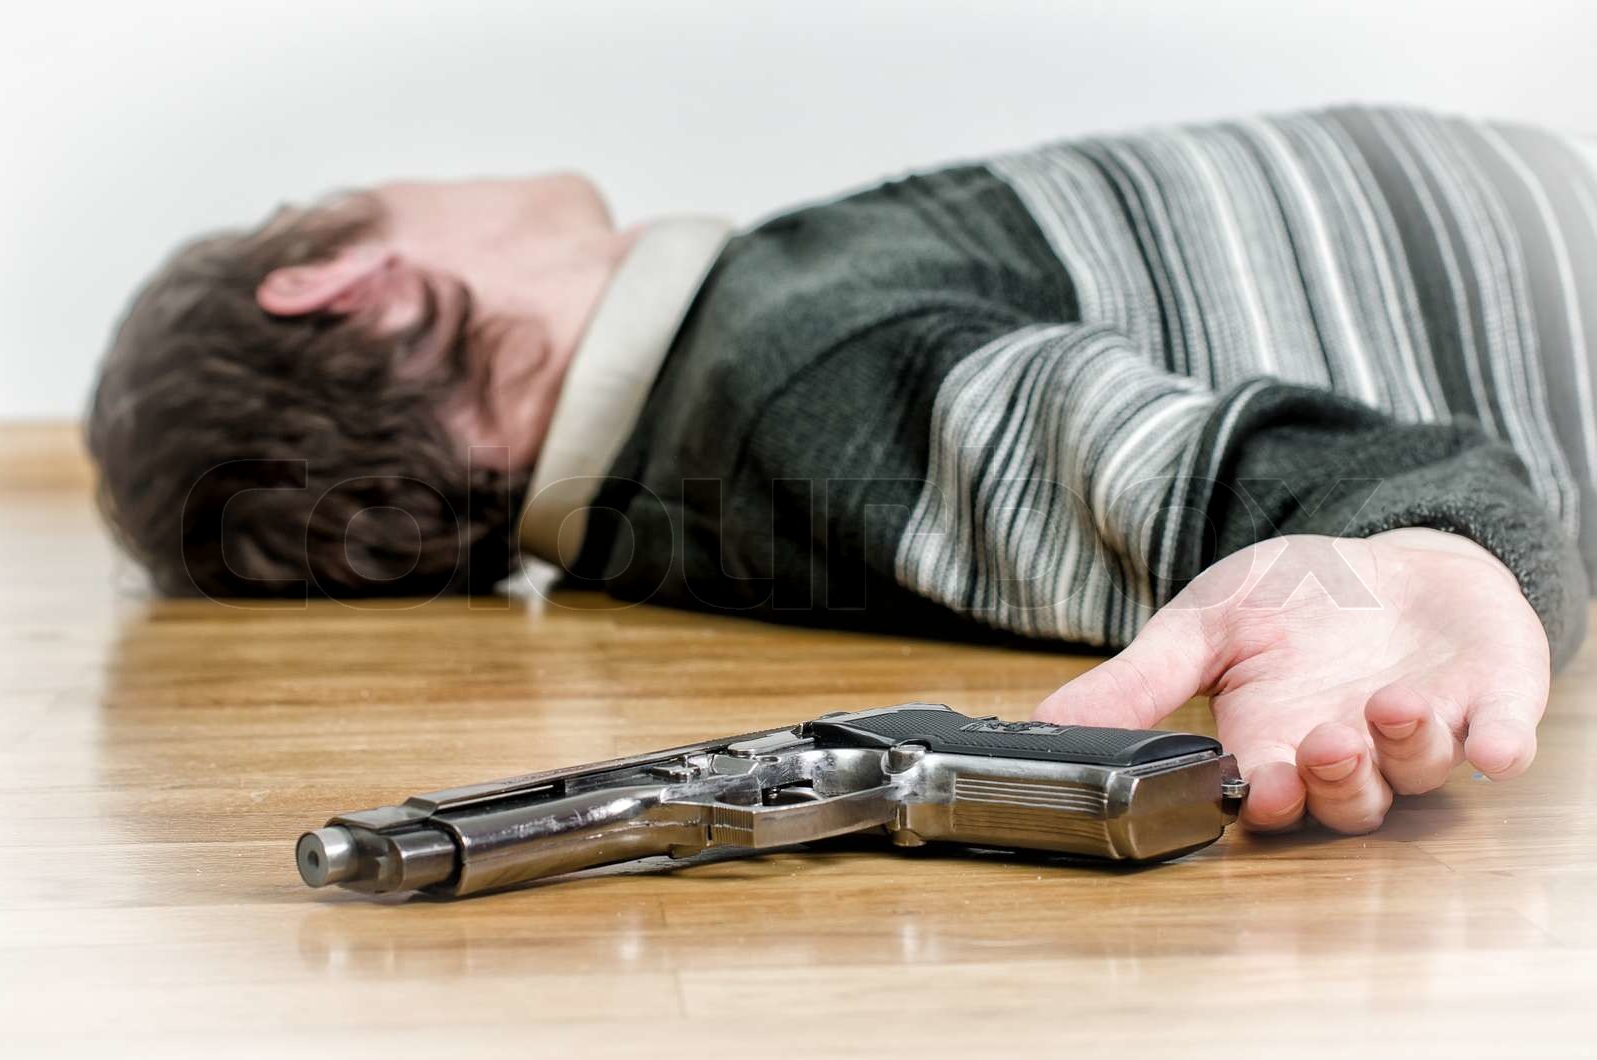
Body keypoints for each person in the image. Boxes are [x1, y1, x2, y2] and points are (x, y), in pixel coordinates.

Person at [87, 105, 1597, 837]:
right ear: (335, 276)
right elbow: (1253, 481)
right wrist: (1425, 555)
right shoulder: (793, 376)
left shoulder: (705, 417)